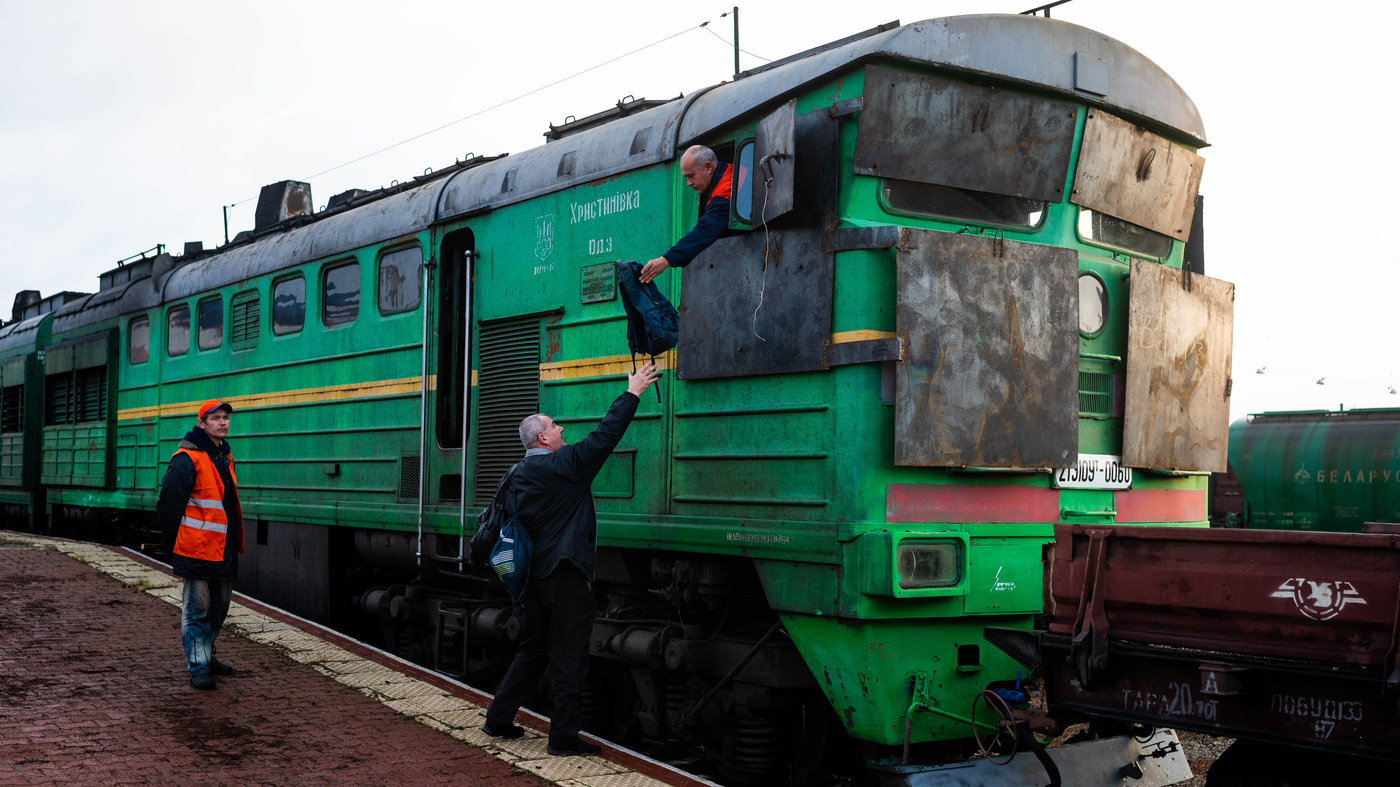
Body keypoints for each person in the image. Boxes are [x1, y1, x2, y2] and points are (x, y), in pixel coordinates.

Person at [482, 362, 660, 755]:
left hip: (530, 580)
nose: (562, 429)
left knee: (533, 649)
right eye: (555, 425)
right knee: (569, 657)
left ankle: (497, 719)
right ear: (544, 438)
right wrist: (633, 392)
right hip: (565, 576)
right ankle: (562, 739)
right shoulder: (567, 467)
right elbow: (605, 436)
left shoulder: (515, 475)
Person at [157, 400, 244, 690]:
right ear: (202, 423)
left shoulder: (223, 456)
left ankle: (207, 654)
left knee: (219, 608)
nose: (223, 423)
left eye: (225, 418)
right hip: (196, 549)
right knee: (197, 611)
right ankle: (198, 666)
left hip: (222, 549)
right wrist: (173, 547)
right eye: (216, 418)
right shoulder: (187, 459)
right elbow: (168, 504)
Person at [638, 145, 734, 284]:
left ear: (708, 167)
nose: (688, 183)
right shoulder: (729, 171)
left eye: (691, 176)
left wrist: (666, 259)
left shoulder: (725, 190)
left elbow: (706, 229)